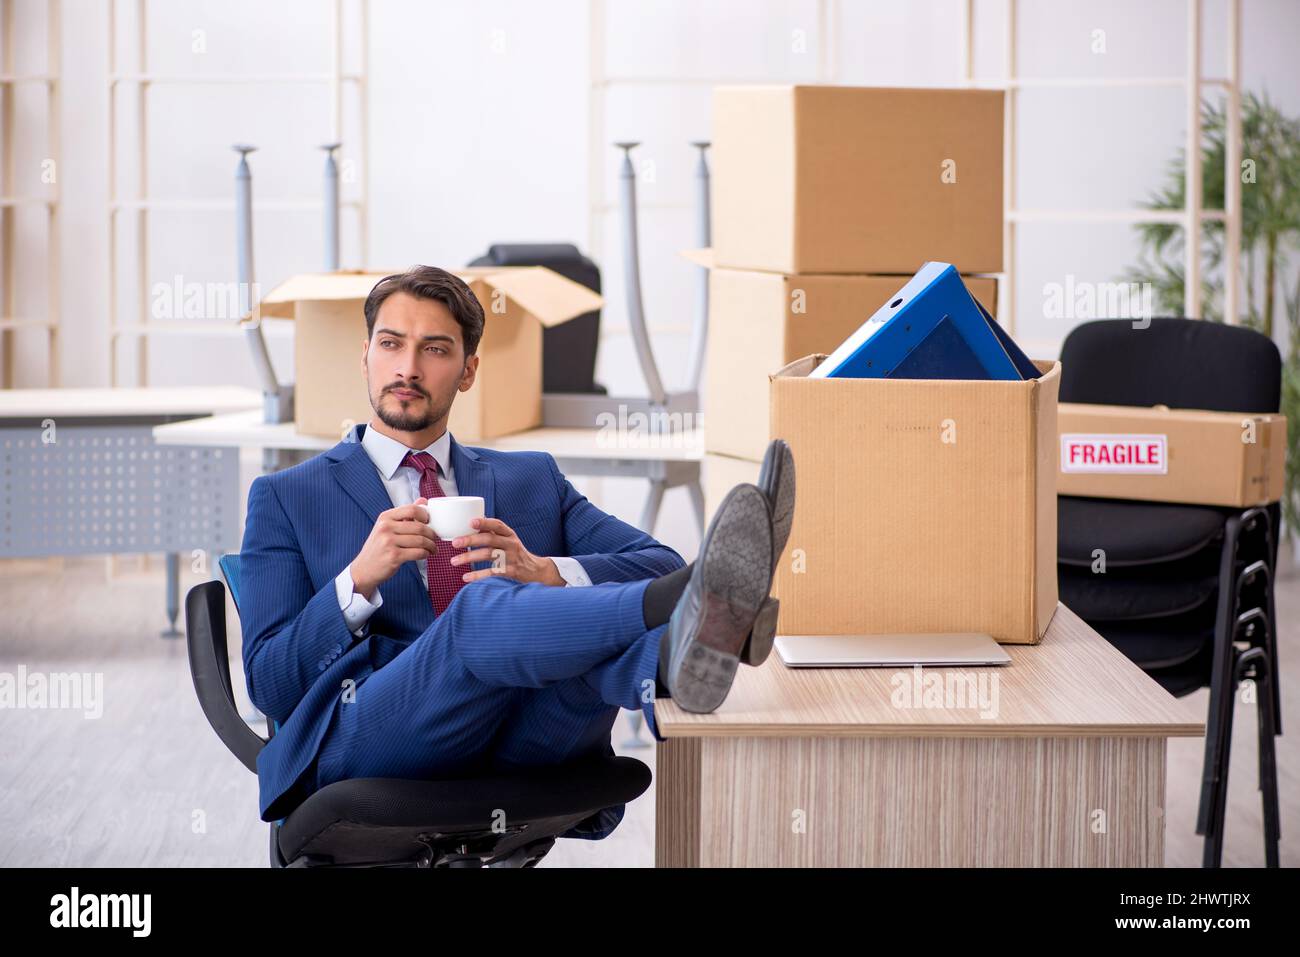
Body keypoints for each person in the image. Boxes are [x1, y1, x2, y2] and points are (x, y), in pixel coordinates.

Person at [239, 265, 795, 839]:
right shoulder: (288, 496)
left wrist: (546, 570)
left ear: (468, 370)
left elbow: (658, 560)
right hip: (370, 737)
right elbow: (271, 683)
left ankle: (681, 649)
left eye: (434, 349)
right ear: (365, 357)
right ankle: (698, 615)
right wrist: (356, 582)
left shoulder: (531, 479)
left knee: (572, 639)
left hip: (517, 739)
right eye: (391, 344)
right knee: (479, 612)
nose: (407, 368)